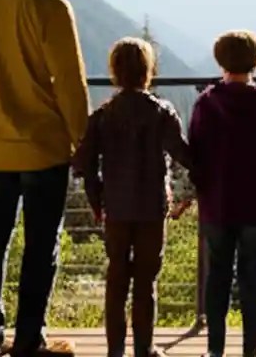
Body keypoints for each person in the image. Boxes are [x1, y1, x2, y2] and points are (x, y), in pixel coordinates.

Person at [0, 0, 90, 357]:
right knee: (41, 246)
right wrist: (83, 140)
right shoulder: (52, 7)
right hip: (42, 147)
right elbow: (70, 83)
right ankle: (28, 340)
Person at [76, 37, 190, 357]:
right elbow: (183, 154)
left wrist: (97, 202)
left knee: (116, 279)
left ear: (115, 70)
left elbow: (84, 165)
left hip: (116, 209)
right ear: (148, 69)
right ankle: (144, 348)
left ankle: (114, 350)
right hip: (152, 208)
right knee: (145, 281)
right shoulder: (161, 111)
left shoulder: (102, 115)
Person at [190, 30, 256, 357]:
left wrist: (199, 192)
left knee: (217, 275)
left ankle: (215, 349)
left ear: (221, 60)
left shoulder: (206, 103)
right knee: (253, 275)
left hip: (217, 205)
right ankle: (252, 347)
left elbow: (196, 154)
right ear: (255, 61)